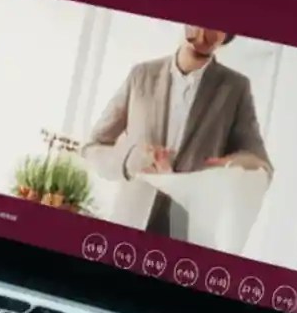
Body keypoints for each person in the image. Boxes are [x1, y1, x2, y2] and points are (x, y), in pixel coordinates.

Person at [81, 25, 272, 241]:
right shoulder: (141, 75)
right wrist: (127, 160)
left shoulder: (236, 88)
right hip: (130, 223)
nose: (202, 36)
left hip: (190, 230)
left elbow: (260, 164)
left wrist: (231, 166)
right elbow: (92, 147)